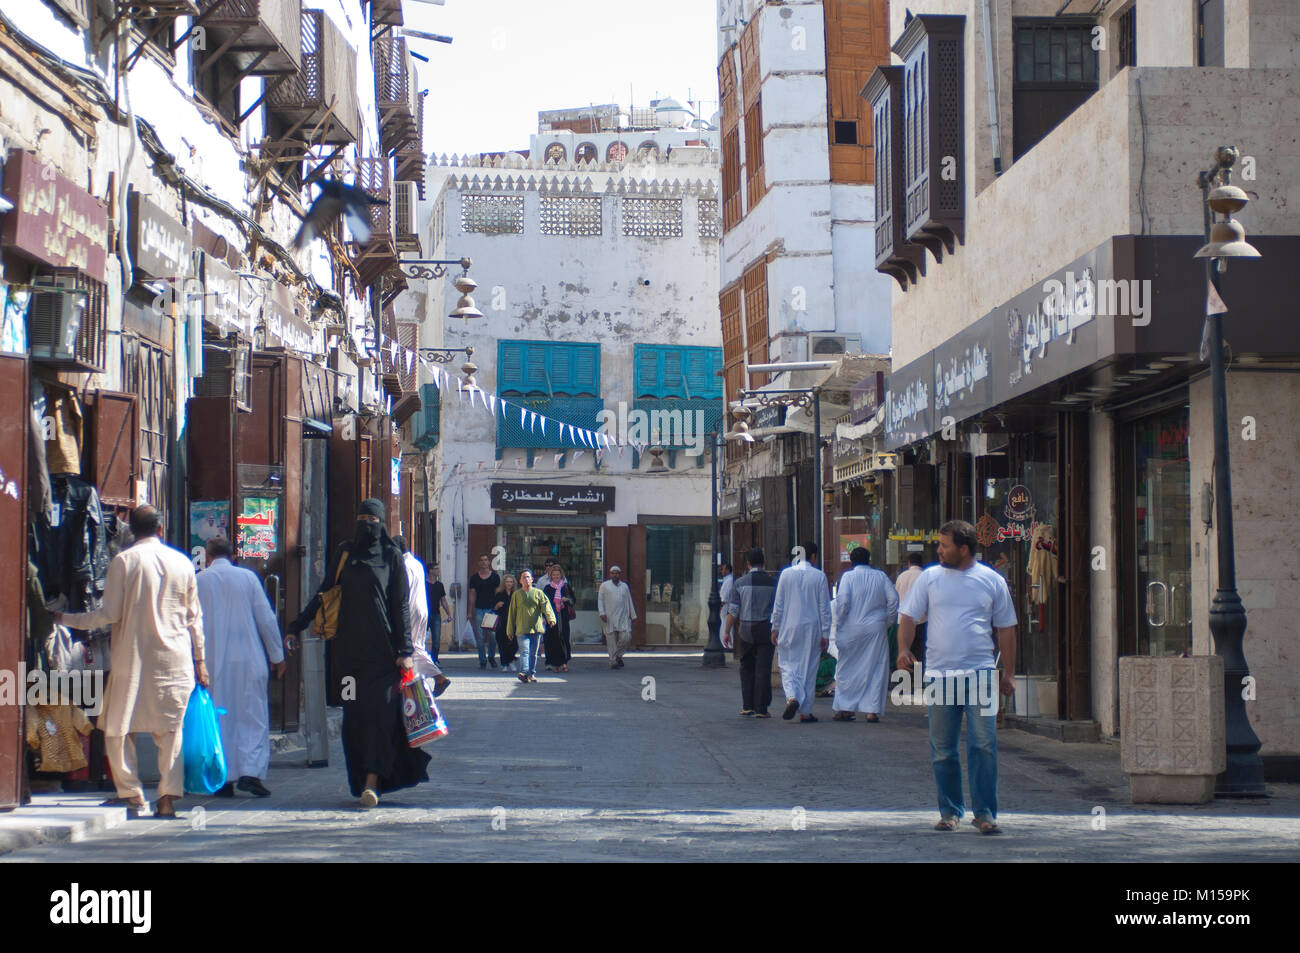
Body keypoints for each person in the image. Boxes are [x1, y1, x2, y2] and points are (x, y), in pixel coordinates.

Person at [54, 505, 206, 819]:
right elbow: (195, 619)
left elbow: (108, 615)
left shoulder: (124, 561)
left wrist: (67, 618)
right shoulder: (182, 563)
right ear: (161, 529)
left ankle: (133, 794)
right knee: (171, 731)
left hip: (133, 661)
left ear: (130, 531)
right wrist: (200, 659)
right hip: (174, 660)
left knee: (116, 728)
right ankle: (167, 798)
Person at [286, 500, 430, 808]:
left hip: (384, 660)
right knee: (353, 719)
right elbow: (324, 593)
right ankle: (360, 777)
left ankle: (373, 781)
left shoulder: (392, 556)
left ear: (381, 523)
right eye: (361, 517)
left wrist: (406, 650)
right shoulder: (345, 554)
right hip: (348, 662)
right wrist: (297, 625)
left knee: (379, 719)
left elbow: (401, 606)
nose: (367, 523)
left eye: (372, 518)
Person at [898, 520, 1017, 835]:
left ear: (963, 549)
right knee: (943, 748)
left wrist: (1010, 674)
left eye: (944, 545)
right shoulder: (929, 578)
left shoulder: (991, 580)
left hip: (981, 673)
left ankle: (985, 814)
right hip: (939, 675)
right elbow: (909, 616)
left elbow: (1006, 628)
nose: (938, 550)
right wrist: (903, 648)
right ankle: (950, 811)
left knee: (984, 745)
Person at [195, 536, 284, 797]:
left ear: (208, 557)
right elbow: (266, 618)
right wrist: (277, 655)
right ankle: (250, 772)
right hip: (248, 659)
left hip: (213, 661)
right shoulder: (248, 578)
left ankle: (222, 777)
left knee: (220, 718)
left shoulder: (199, 581)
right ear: (232, 556)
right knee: (252, 716)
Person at [831, 546, 898, 723]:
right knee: (876, 667)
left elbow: (843, 602)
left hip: (851, 628)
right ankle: (872, 711)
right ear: (869, 560)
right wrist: (887, 622)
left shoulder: (848, 577)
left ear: (851, 562)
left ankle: (845, 708)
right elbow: (893, 600)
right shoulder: (881, 576)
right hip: (876, 627)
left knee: (847, 668)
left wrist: (839, 623)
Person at [771, 541, 832, 723]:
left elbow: (779, 604)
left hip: (788, 626)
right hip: (812, 628)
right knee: (809, 668)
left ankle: (792, 697)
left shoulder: (786, 574)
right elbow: (824, 607)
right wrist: (825, 633)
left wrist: (775, 627)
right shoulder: (819, 576)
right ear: (813, 556)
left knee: (788, 664)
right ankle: (805, 711)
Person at [725, 547, 778, 718]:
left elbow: (733, 610)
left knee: (746, 667)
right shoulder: (773, 583)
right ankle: (761, 708)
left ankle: (747, 705)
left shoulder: (739, 583)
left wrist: (726, 632)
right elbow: (777, 609)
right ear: (764, 563)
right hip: (765, 629)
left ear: (748, 564)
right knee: (763, 668)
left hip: (745, 630)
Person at [396, 538, 450, 696]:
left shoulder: (404, 566)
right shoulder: (417, 563)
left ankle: (438, 677)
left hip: (411, 608)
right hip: (422, 609)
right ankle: (419, 681)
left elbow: (403, 590)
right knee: (417, 644)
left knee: (412, 646)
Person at [506, 569, 556, 683]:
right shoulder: (516, 595)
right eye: (523, 577)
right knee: (525, 651)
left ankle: (531, 674)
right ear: (520, 581)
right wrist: (509, 630)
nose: (526, 579)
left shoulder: (538, 593)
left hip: (536, 628)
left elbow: (546, 606)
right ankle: (523, 672)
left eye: (528, 577)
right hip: (522, 629)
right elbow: (512, 613)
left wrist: (551, 618)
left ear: (532, 579)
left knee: (533, 653)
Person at [597, 565, 636, 670]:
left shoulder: (624, 586)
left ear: (620, 575)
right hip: (608, 616)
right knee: (611, 640)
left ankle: (618, 655)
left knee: (626, 637)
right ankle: (613, 661)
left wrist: (632, 615)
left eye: (617, 573)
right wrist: (602, 613)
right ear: (610, 574)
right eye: (613, 573)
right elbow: (600, 600)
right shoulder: (604, 586)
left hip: (623, 616)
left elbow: (629, 600)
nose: (615, 575)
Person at [466, 554, 501, 669]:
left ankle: (491, 656)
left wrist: (498, 608)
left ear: (489, 562)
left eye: (486, 560)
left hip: (491, 609)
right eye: (481, 560)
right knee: (480, 637)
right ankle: (482, 659)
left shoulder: (495, 577)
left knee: (492, 635)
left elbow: (497, 593)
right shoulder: (474, 578)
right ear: (479, 563)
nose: (484, 562)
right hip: (479, 609)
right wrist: (470, 611)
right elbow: (472, 594)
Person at [541, 564, 575, 673]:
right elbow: (543, 603)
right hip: (552, 618)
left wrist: (567, 600)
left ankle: (564, 662)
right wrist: (545, 617)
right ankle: (555, 663)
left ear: (561, 575)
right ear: (551, 576)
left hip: (563, 617)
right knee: (553, 640)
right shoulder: (547, 588)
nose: (556, 576)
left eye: (558, 574)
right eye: (554, 574)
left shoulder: (565, 587)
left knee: (564, 638)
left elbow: (573, 600)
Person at [895, 552, 926, 664]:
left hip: (902, 620)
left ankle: (905, 677)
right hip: (920, 620)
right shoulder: (924, 576)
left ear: (909, 563)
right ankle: (916, 678)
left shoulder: (901, 576)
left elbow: (896, 596)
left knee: (904, 650)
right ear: (922, 563)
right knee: (918, 652)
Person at [491, 574, 518, 672]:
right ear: (504, 583)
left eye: (511, 582)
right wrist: (497, 606)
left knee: (514, 643)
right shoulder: (499, 594)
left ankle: (511, 660)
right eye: (507, 582)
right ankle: (505, 663)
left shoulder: (516, 594)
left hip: (514, 622)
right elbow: (493, 607)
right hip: (502, 622)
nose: (509, 584)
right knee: (502, 643)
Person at [426, 562, 451, 663]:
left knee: (436, 640)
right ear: (430, 571)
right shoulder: (423, 584)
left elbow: (443, 600)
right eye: (436, 569)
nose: (438, 571)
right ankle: (423, 659)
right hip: (424, 614)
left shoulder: (439, 585)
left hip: (436, 614)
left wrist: (449, 614)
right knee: (422, 639)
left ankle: (434, 659)